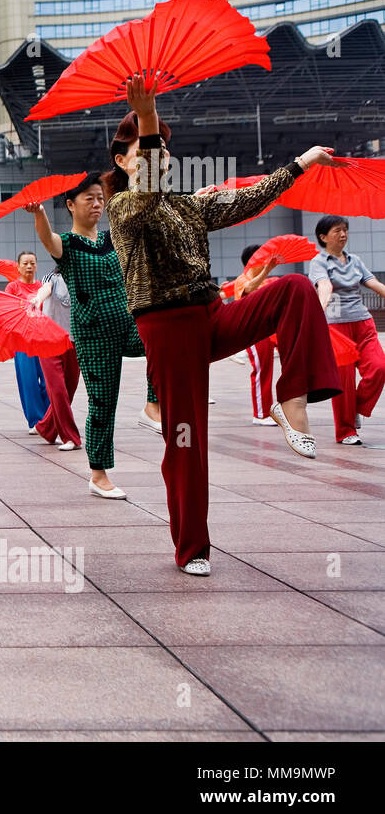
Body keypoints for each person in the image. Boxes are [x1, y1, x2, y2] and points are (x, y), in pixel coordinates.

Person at [106, 75, 341, 577]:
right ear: (123, 162)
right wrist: (146, 118)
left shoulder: (190, 204)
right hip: (167, 329)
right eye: (146, 148)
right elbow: (146, 192)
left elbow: (250, 200)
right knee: (186, 437)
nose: (159, 153)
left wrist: (301, 162)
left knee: (295, 290)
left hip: (211, 314)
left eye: (164, 147)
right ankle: (192, 546)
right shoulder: (125, 207)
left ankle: (291, 399)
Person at [25, 173, 161, 497]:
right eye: (89, 198)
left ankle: (152, 406)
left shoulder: (112, 239)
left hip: (127, 322)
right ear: (71, 205)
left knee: (164, 342)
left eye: (100, 198)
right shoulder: (69, 247)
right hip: (93, 336)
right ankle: (98, 475)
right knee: (103, 403)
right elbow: (48, 240)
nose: (97, 204)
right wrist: (40, 214)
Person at [310, 215, 385, 445]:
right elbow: (325, 286)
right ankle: (346, 431)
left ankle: (356, 409)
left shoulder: (355, 261)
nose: (343, 235)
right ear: (323, 237)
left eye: (345, 230)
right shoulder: (319, 262)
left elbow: (375, 284)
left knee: (379, 367)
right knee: (343, 382)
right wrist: (320, 310)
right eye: (337, 231)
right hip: (336, 327)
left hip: (363, 323)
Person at [0, 252, 51, 432]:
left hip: (43, 339)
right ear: (18, 267)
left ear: (36, 266)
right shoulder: (12, 287)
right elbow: (3, 308)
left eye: (32, 263)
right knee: (28, 381)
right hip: (22, 341)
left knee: (48, 380)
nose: (29, 266)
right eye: (25, 263)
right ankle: (36, 421)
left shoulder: (43, 286)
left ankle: (48, 418)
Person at [29, 270, 82, 451]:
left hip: (74, 341)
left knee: (69, 389)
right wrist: (38, 299)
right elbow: (45, 289)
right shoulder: (52, 277)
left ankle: (45, 428)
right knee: (58, 390)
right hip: (48, 340)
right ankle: (71, 437)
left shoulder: (82, 276)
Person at [234, 244, 281, 427]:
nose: (266, 261)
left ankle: (277, 409)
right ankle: (260, 414)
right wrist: (266, 271)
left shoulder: (267, 281)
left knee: (273, 368)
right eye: (262, 257)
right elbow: (248, 289)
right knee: (262, 370)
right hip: (252, 333)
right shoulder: (242, 279)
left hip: (269, 331)